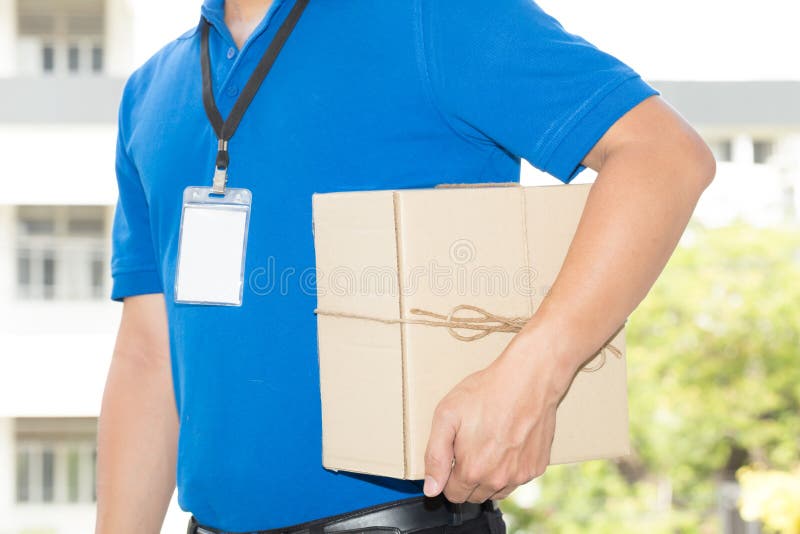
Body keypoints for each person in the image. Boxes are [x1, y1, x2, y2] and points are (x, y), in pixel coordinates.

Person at [94, 0, 716, 532]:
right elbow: (149, 355)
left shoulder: (435, 14)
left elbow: (664, 156)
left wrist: (534, 375)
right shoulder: (150, 91)